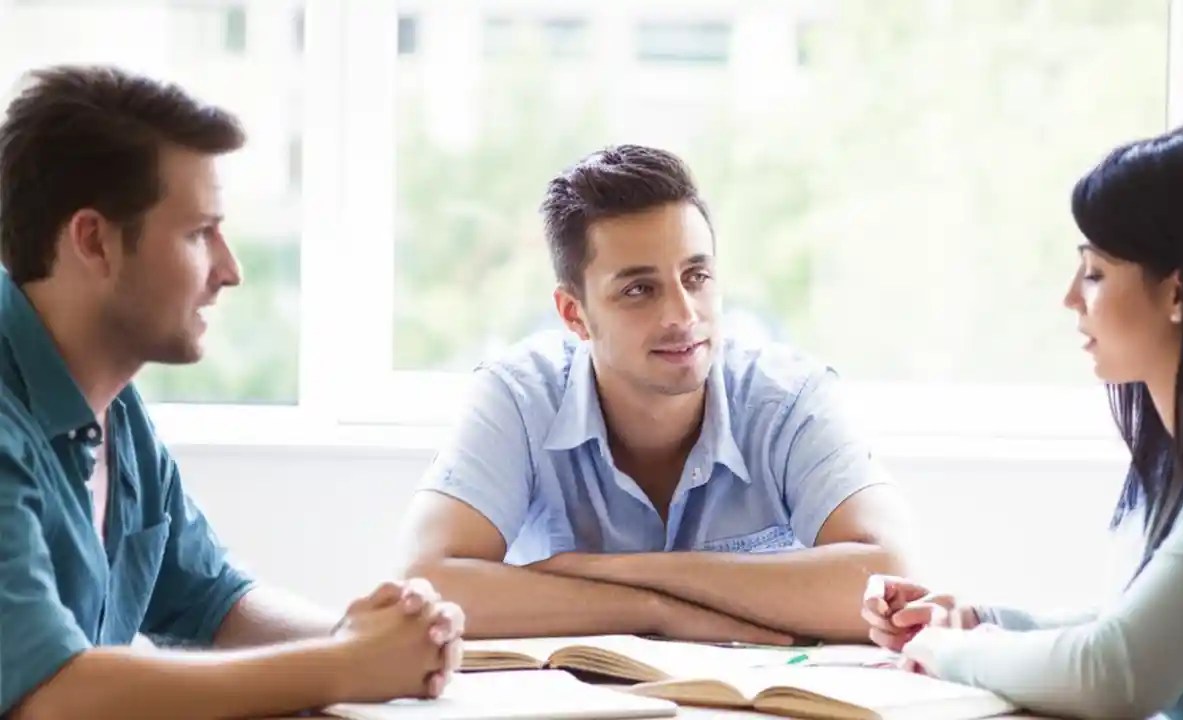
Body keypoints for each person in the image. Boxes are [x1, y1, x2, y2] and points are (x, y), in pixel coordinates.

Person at [0, 65, 464, 719]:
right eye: (198, 233)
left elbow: (212, 599)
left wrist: (374, 637)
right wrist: (346, 663)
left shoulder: (114, 406)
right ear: (93, 240)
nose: (230, 270)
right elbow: (50, 694)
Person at [402, 144, 916, 643]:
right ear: (574, 315)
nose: (684, 315)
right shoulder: (518, 396)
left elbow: (890, 576)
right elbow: (426, 584)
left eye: (696, 276)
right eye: (639, 290)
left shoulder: (788, 399)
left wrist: (628, 571)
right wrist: (654, 610)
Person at [863, 125, 1183, 719]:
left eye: (1095, 272)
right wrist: (980, 619)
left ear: (1178, 293)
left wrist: (950, 649)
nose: (1069, 298)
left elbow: (1113, 672)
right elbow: (1127, 625)